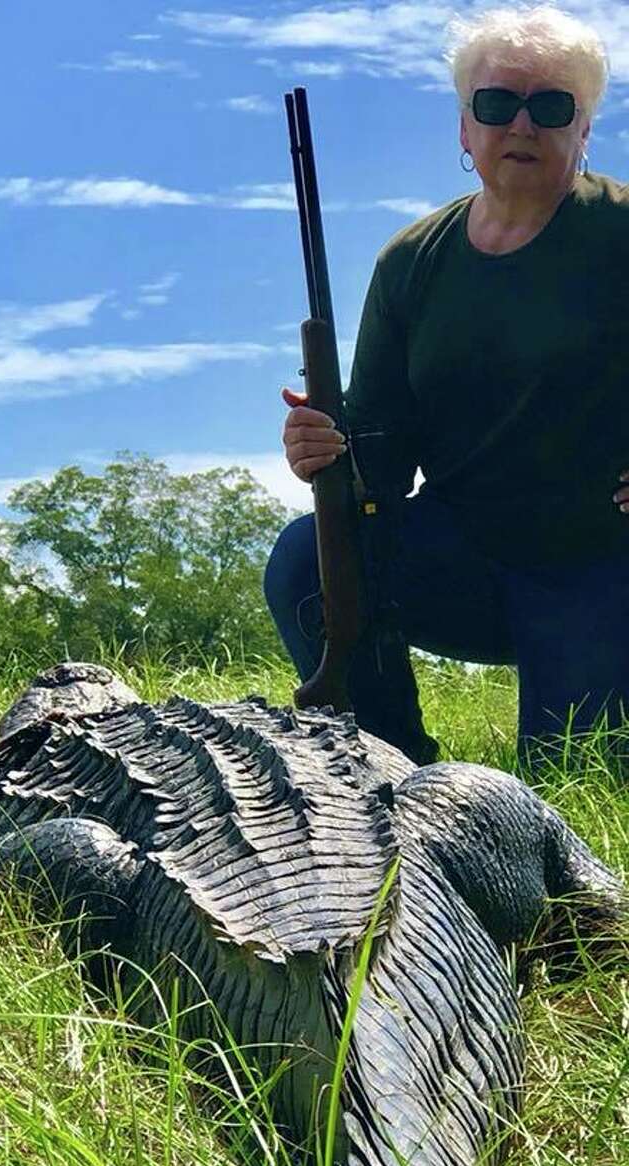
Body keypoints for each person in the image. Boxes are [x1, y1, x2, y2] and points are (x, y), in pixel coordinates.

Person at [264, 4, 629, 772]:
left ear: (585, 128)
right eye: (497, 104)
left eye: (552, 106)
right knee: (306, 559)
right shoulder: (412, 260)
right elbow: (378, 460)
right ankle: (388, 767)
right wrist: (324, 450)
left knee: (569, 779)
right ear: (465, 129)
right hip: (465, 556)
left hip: (602, 563)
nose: (522, 125)